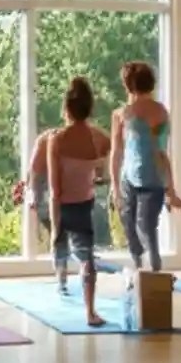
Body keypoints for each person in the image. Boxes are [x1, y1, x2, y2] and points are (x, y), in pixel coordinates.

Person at [47, 77, 112, 326]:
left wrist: (55, 224)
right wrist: (101, 171)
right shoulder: (97, 138)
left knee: (60, 247)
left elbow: (55, 188)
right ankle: (90, 312)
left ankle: (62, 281)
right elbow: (116, 146)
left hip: (64, 205)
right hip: (84, 204)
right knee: (87, 259)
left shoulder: (57, 139)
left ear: (66, 108)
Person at [109, 61, 181, 272]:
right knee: (146, 228)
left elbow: (116, 153)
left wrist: (115, 186)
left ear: (127, 85)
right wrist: (170, 189)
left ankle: (147, 271)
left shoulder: (123, 114)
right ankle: (150, 272)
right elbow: (162, 153)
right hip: (153, 176)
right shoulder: (162, 112)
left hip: (135, 176)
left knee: (136, 226)